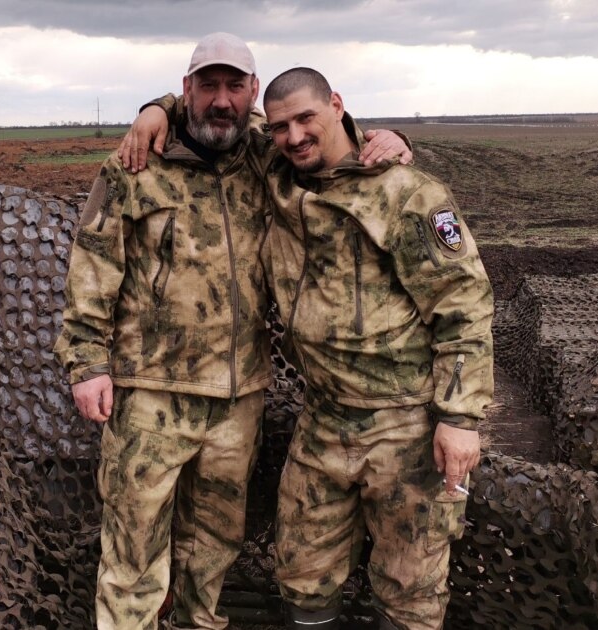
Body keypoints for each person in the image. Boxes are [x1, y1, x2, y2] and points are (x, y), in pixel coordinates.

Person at [58, 33, 410, 630]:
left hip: (238, 395)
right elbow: (92, 270)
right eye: (208, 85)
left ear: (250, 94)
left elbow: (323, 138)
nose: (220, 100)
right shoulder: (135, 164)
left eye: (234, 86)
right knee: (133, 547)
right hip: (150, 394)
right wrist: (87, 364)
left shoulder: (264, 155)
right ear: (187, 88)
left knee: (214, 543)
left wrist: (391, 138)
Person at [122, 68, 493, 629]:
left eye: (306, 119)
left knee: (410, 585)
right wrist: (157, 108)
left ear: (338, 105)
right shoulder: (277, 169)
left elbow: (463, 303)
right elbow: (214, 110)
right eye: (279, 127)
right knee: (301, 570)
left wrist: (461, 417)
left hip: (402, 421)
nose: (293, 136)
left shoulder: (406, 193)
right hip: (321, 419)